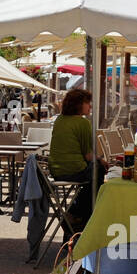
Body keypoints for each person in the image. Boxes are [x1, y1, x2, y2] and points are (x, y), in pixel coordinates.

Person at [49, 88, 95, 234]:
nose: (90, 106)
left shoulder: (59, 120)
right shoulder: (82, 123)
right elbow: (88, 155)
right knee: (98, 174)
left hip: (56, 172)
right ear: (78, 104)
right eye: (88, 103)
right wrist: (102, 160)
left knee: (93, 178)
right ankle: (79, 216)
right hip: (73, 171)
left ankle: (77, 218)